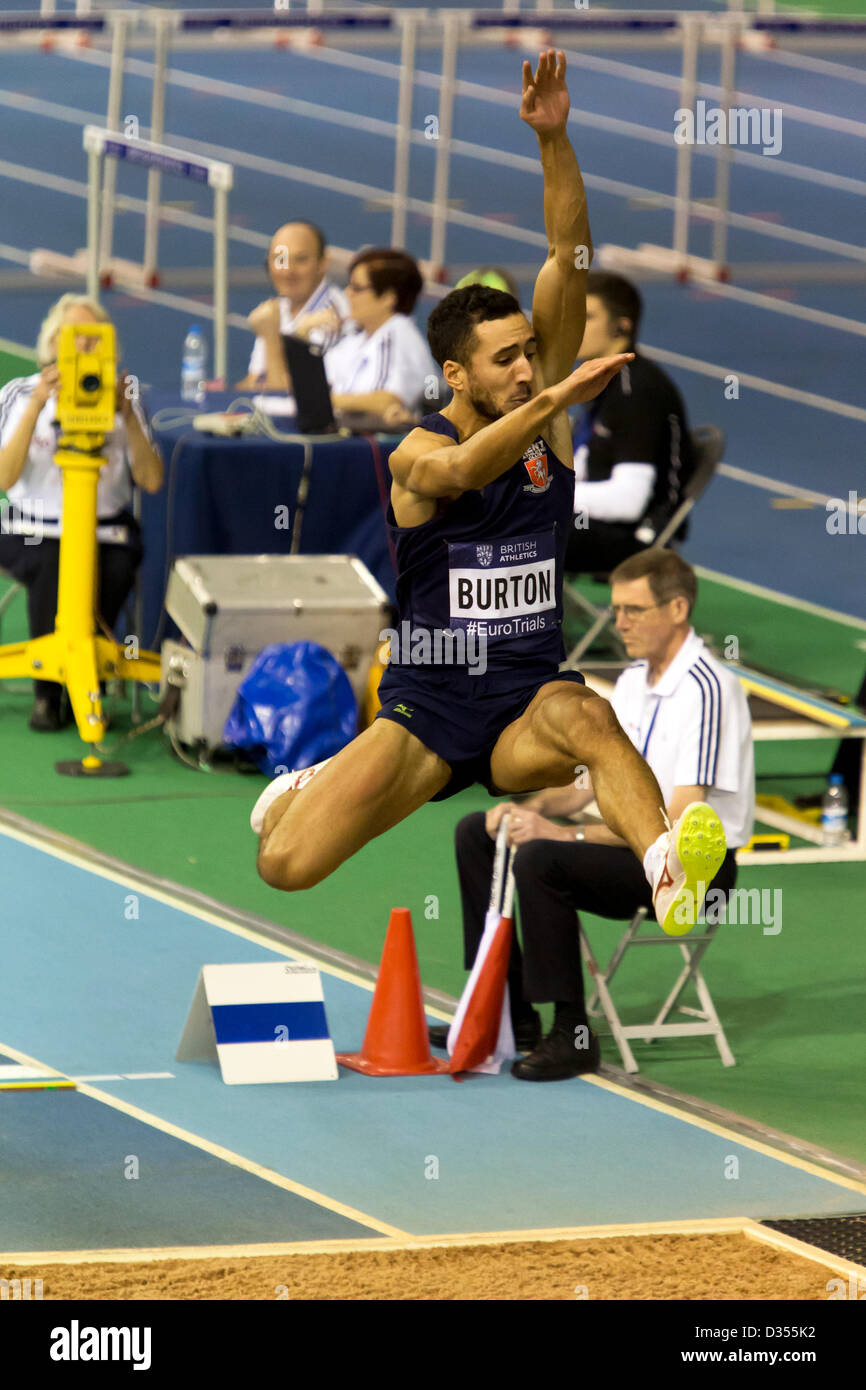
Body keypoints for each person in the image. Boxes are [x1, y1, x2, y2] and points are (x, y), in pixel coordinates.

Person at [251, 53, 728, 989]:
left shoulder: (540, 399)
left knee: (587, 713)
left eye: (531, 352)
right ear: (458, 375)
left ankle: (666, 864)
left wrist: (553, 139)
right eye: (506, 359)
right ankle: (314, 779)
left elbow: (568, 254)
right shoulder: (417, 456)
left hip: (520, 698)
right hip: (429, 710)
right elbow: (472, 463)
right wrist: (565, 392)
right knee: (286, 866)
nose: (528, 367)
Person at [441, 549, 754, 1079]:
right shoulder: (632, 682)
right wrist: (528, 809)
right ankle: (506, 1014)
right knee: (481, 832)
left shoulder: (709, 688)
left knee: (543, 858)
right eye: (616, 610)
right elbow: (588, 786)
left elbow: (678, 821)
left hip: (692, 870)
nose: (620, 622)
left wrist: (563, 836)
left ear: (678, 609)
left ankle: (572, 1033)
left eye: (635, 610)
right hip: (637, 851)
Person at [0, 294, 163, 731]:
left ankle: (87, 675)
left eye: (92, 341)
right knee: (54, 562)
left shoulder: (124, 396)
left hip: (105, 528)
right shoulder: (19, 394)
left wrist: (127, 418)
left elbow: (151, 481)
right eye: (71, 340)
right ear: (49, 345)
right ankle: (48, 692)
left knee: (109, 569)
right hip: (29, 526)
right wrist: (37, 405)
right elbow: (3, 478)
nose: (81, 352)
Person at [566, 271, 696, 576]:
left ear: (622, 327)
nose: (574, 326)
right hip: (598, 524)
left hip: (633, 538)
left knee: (515, 526)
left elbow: (628, 501)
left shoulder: (635, 390)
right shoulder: (608, 383)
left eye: (587, 317)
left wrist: (549, 496)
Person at [322, 248, 439, 426]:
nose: (347, 294)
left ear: (388, 298)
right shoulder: (357, 339)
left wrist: (325, 401)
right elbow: (305, 385)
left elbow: (388, 402)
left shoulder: (397, 335)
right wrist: (302, 332)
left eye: (357, 288)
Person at [235, 220, 350, 393]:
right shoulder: (278, 309)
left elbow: (294, 398)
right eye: (280, 259)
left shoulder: (333, 315)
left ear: (322, 263)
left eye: (301, 260)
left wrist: (270, 335)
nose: (288, 270)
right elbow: (252, 382)